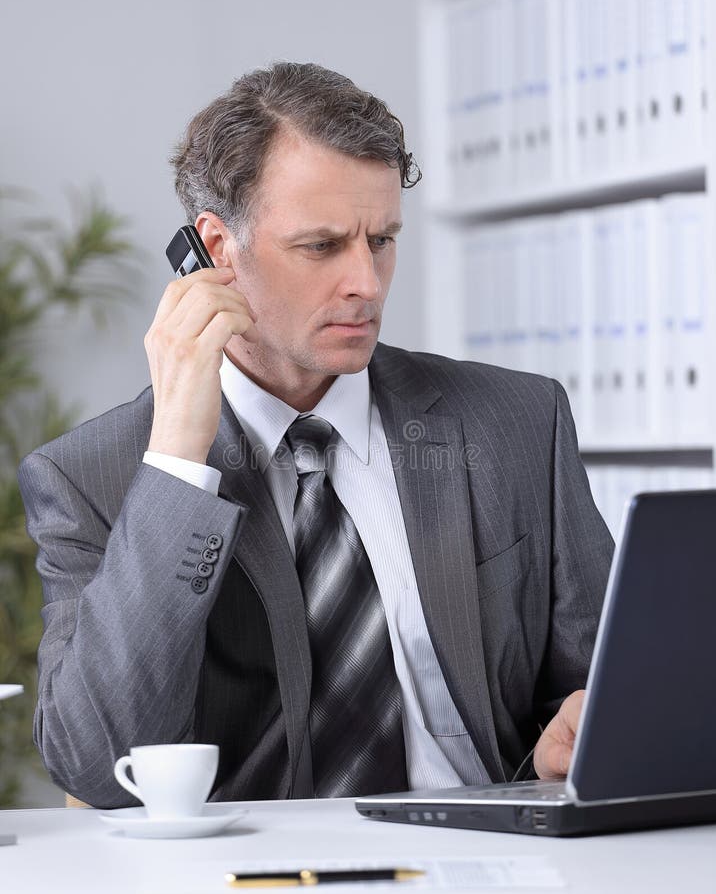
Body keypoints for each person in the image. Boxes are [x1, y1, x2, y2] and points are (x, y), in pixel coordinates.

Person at [19, 62, 613, 809]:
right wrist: (176, 458)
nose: (366, 281)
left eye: (383, 240)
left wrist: (581, 726)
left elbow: (607, 686)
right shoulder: (91, 476)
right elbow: (99, 768)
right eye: (322, 246)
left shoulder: (517, 422)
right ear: (216, 250)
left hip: (488, 860)